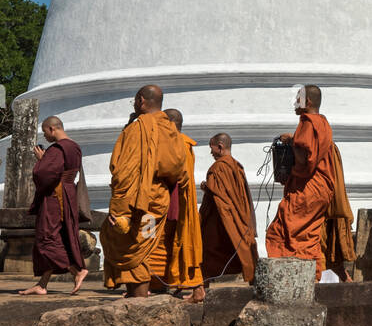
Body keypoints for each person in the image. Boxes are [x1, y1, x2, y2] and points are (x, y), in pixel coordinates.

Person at [101, 85, 188, 296]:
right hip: (157, 202)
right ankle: (136, 296)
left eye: (134, 101)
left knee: (129, 245)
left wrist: (119, 209)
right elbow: (178, 170)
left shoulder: (138, 128)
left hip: (136, 202)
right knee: (145, 246)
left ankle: (138, 303)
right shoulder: (171, 130)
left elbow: (123, 172)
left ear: (141, 100)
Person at [265, 84, 337, 280]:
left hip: (306, 188)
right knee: (308, 236)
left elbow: (306, 158)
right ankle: (311, 279)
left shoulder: (307, 121)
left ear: (309, 102)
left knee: (282, 232)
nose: (295, 103)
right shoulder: (322, 123)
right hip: (320, 190)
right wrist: (293, 139)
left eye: (298, 99)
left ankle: (292, 282)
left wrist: (293, 148)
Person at [20, 116, 88, 295]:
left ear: (52, 129)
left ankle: (77, 270)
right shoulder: (75, 147)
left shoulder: (57, 149)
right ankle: (42, 284)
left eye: (45, 132)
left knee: (46, 238)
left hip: (54, 197)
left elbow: (45, 174)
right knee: (60, 238)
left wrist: (41, 160)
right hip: (68, 194)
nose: (45, 136)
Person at [143, 108, 204, 300]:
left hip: (162, 205)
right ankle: (163, 284)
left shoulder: (176, 144)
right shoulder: (183, 144)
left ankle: (149, 285)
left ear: (167, 124)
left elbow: (170, 176)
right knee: (168, 244)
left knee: (151, 242)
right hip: (174, 205)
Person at [199, 132, 258, 285]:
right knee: (239, 247)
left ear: (220, 147)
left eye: (211, 148)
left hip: (220, 219)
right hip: (239, 216)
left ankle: (203, 285)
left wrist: (207, 188)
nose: (211, 152)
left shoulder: (218, 168)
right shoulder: (237, 166)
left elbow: (219, 196)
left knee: (207, 249)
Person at [320, 141, 355, 281]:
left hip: (327, 209)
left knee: (329, 251)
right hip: (323, 209)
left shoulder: (326, 149)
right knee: (328, 253)